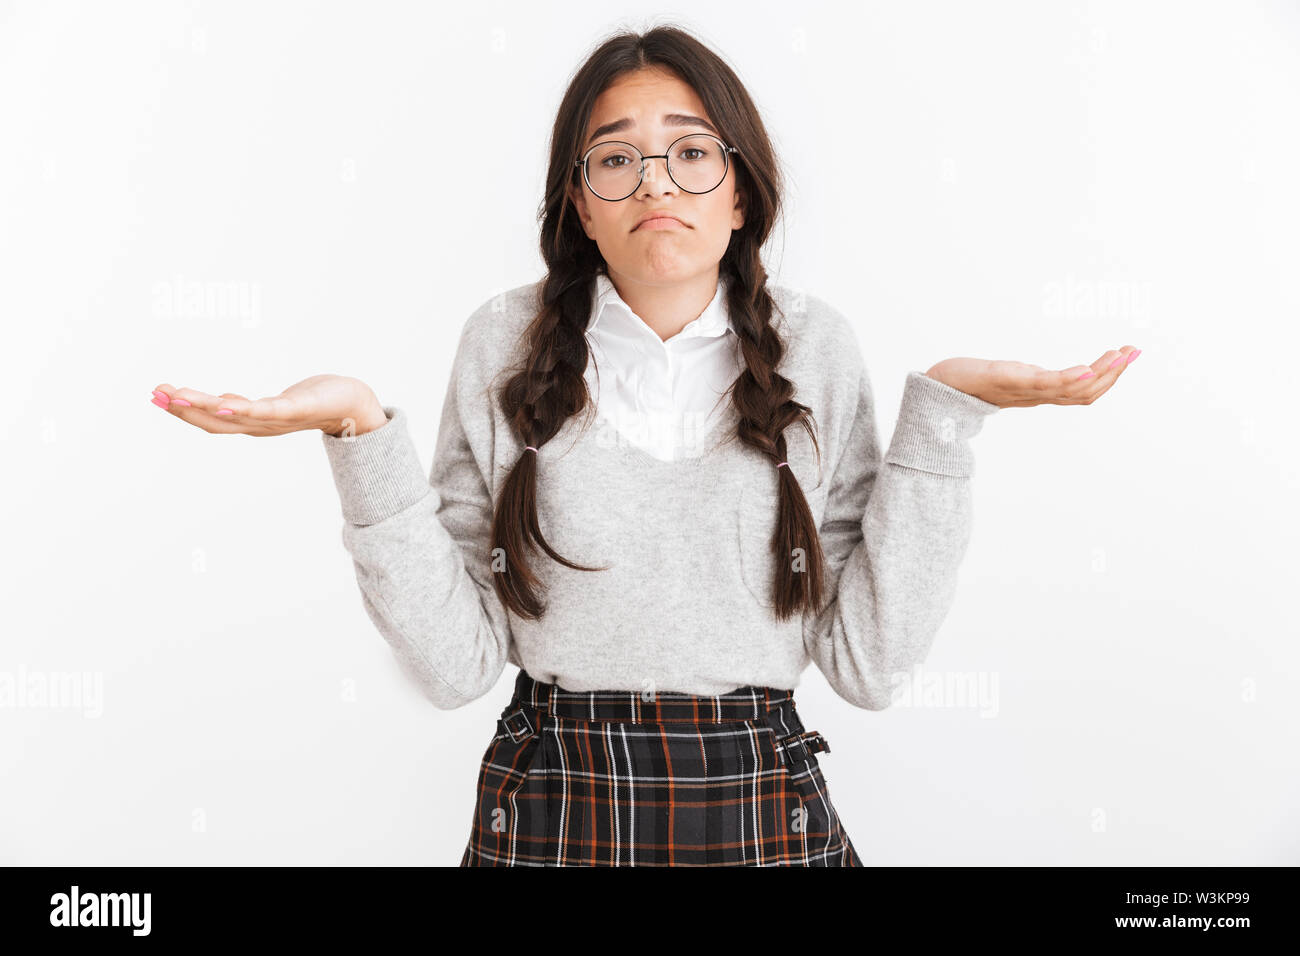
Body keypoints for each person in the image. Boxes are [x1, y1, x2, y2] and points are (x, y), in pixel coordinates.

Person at [149, 26, 1139, 866]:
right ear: (580, 201)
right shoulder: (502, 341)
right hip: (554, 804)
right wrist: (359, 431)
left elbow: (869, 666)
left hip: (761, 804)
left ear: (740, 190)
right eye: (615, 157)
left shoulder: (815, 348)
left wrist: (945, 424)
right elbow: (455, 663)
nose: (652, 181)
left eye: (690, 152)